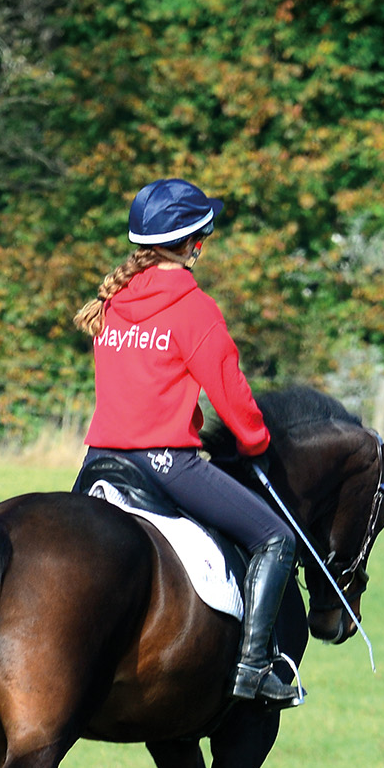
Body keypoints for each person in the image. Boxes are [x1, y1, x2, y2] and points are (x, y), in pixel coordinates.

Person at [73, 178, 299, 704]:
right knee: (275, 538)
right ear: (196, 244)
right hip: (166, 464)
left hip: (97, 463)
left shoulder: (116, 300)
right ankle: (253, 671)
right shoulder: (196, 309)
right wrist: (255, 442)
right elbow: (234, 400)